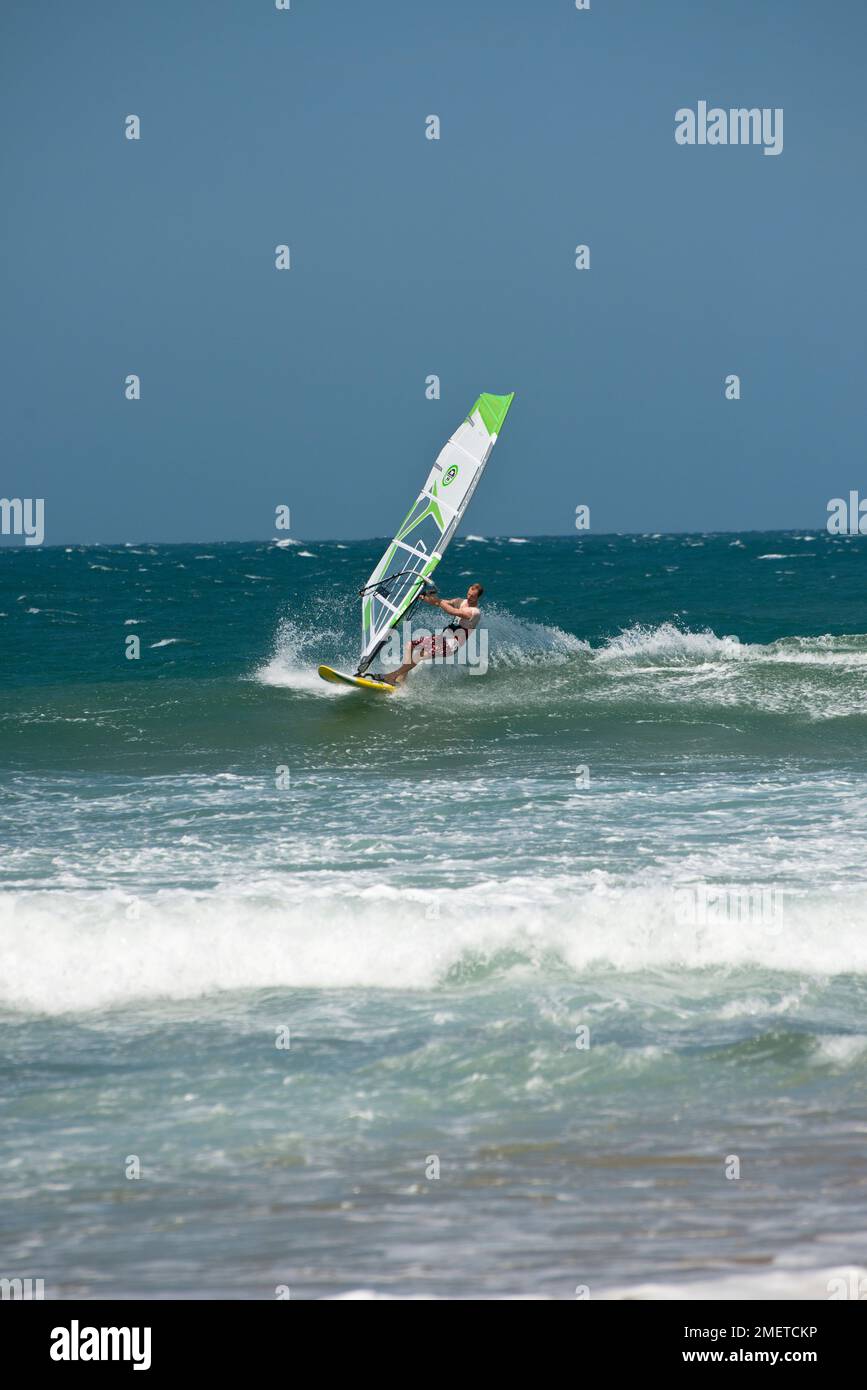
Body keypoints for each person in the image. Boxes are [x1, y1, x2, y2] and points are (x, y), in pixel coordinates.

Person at [378, 583, 484, 686]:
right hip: (442, 638)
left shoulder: (475, 612)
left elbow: (452, 611)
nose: (469, 597)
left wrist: (437, 600)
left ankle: (391, 676)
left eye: (473, 596)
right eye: (468, 594)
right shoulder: (461, 601)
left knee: (418, 655)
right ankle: (402, 680)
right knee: (410, 645)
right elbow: (439, 603)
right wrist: (425, 597)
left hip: (452, 645)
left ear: (478, 598)